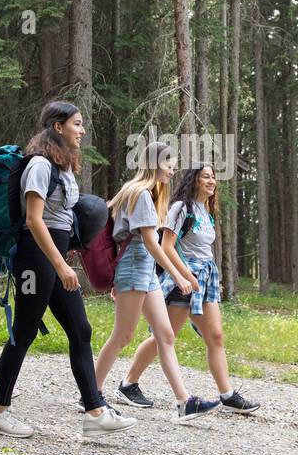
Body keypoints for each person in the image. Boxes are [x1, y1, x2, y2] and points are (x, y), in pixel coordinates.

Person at [0, 101, 136, 438]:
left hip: (52, 256)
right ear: (57, 127)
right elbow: (33, 220)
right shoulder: (39, 165)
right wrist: (60, 265)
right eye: (77, 124)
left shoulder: (63, 167)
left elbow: (63, 217)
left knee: (80, 329)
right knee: (22, 333)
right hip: (33, 258)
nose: (82, 131)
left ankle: (94, 411)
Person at [115, 165, 260, 414]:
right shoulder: (182, 208)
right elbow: (167, 246)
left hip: (205, 278)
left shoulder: (207, 211)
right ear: (194, 180)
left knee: (215, 336)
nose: (211, 181)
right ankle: (128, 384)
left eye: (213, 177)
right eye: (206, 176)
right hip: (183, 279)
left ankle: (226, 395)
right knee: (165, 335)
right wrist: (184, 276)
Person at [93, 144, 222, 423]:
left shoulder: (143, 194)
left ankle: (184, 402)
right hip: (135, 267)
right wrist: (179, 276)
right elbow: (151, 241)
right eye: (169, 165)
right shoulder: (139, 193)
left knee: (165, 335)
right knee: (122, 335)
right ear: (155, 164)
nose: (173, 170)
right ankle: (91, 394)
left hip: (144, 270)